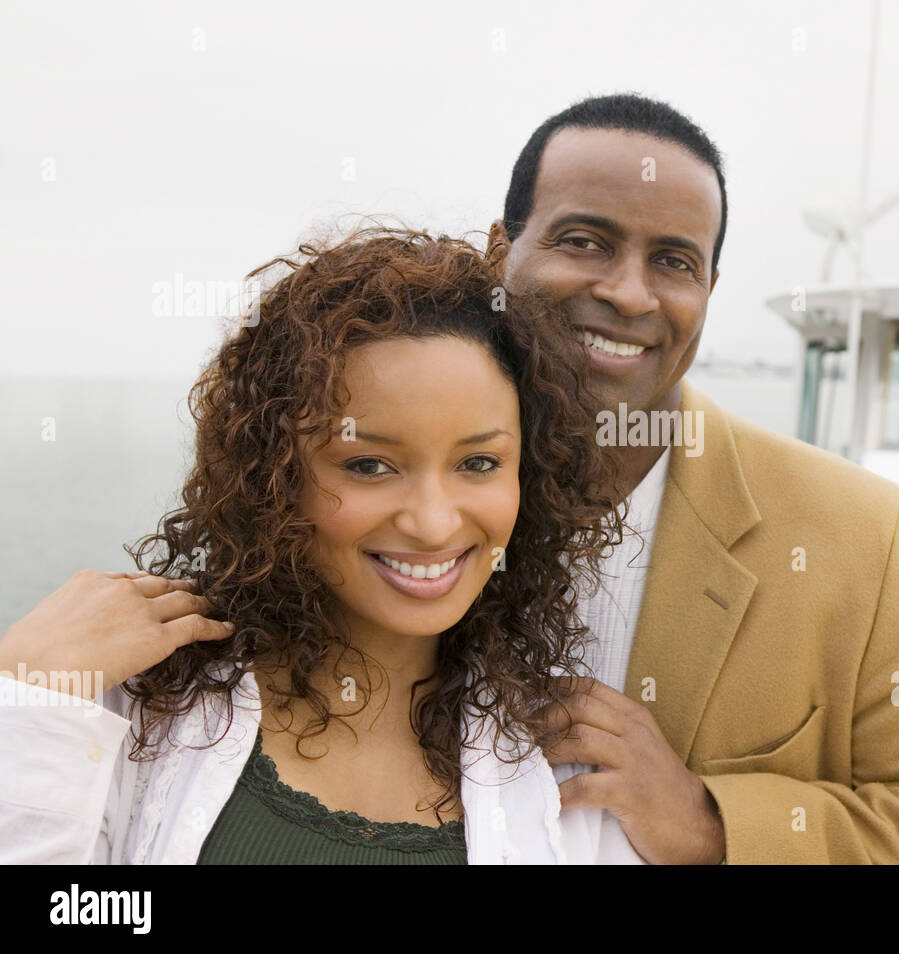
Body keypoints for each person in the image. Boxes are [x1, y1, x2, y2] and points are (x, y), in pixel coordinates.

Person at [489, 93, 899, 864]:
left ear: (709, 292)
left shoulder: (859, 536)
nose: (628, 293)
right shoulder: (383, 487)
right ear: (498, 253)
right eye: (584, 241)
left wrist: (715, 826)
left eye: (674, 262)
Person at [0, 225, 645, 864]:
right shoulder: (129, 706)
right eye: (368, 465)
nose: (432, 523)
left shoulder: (570, 771)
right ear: (275, 476)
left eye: (478, 464)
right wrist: (25, 696)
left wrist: (708, 826)